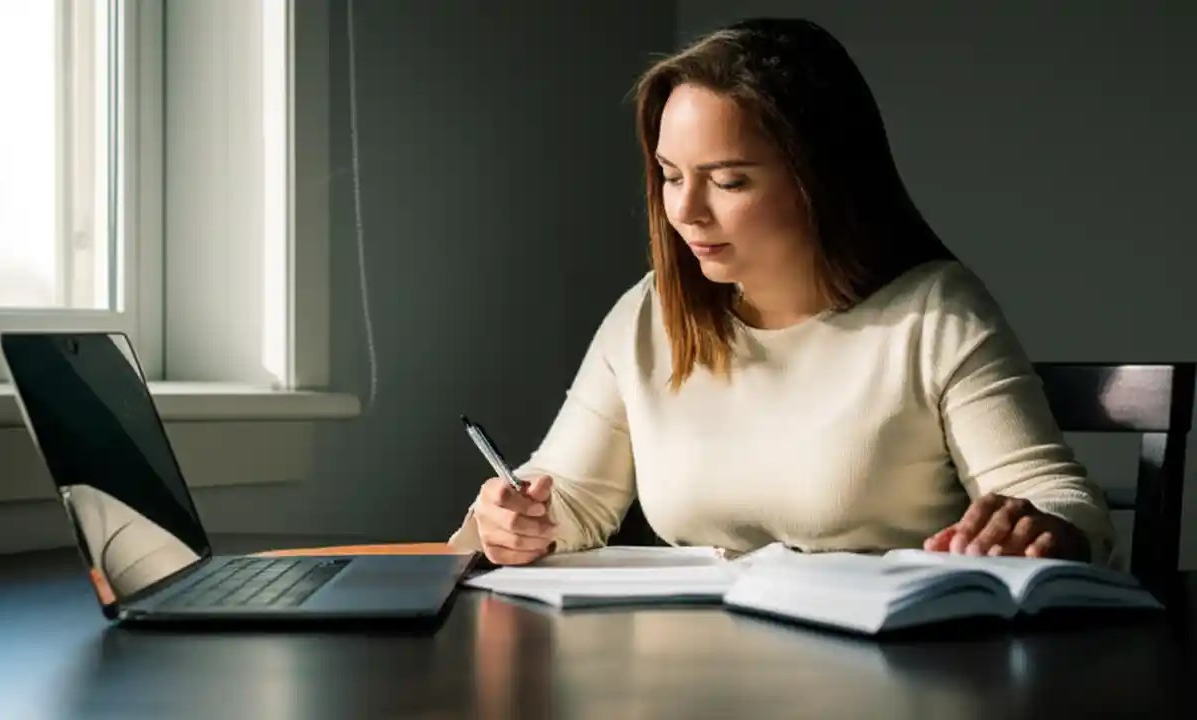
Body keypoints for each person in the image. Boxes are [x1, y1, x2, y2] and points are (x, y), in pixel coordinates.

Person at [448, 18, 1114, 567]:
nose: (687, 211)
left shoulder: (932, 314)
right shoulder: (650, 314)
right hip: (692, 675)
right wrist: (517, 520)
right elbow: (570, 501)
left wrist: (1041, 530)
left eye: (730, 181)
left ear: (820, 179)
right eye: (671, 175)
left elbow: (1056, 499)